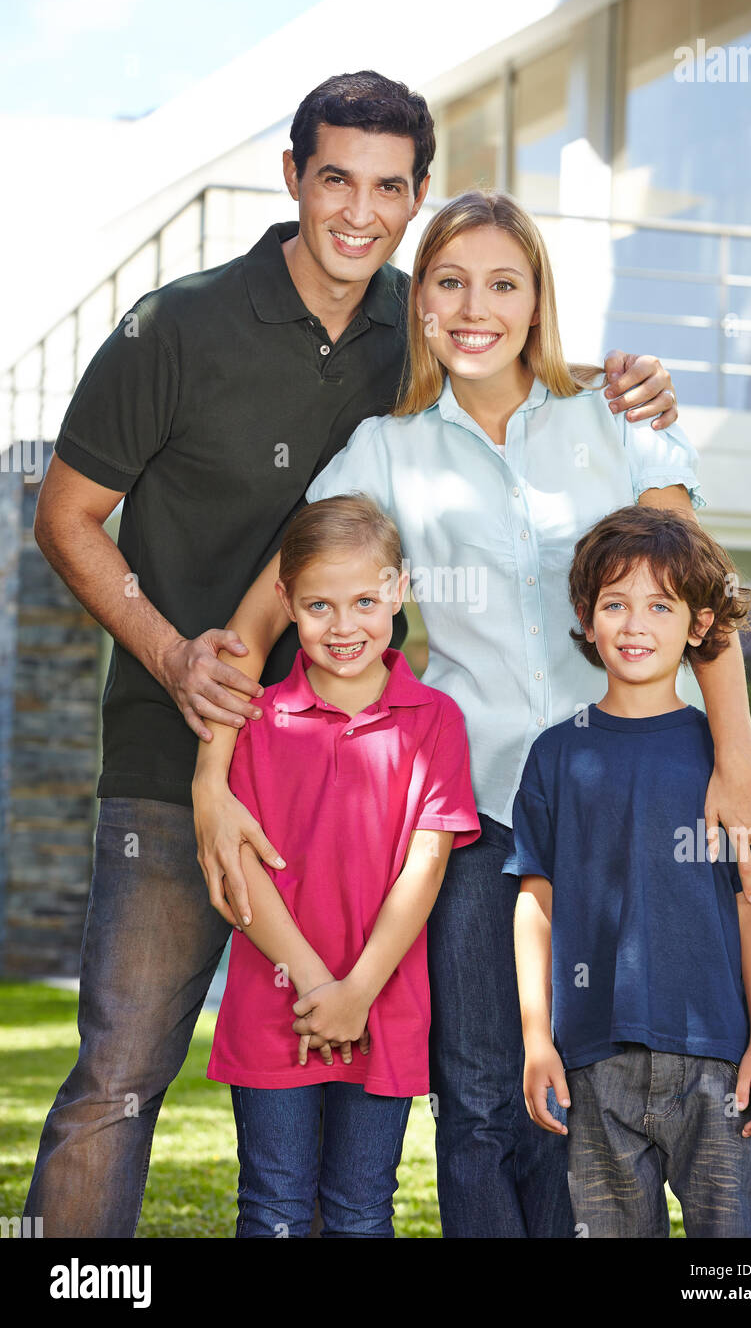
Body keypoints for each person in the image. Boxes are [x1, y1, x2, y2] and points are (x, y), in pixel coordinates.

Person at [25, 68, 678, 1238]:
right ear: (292, 179)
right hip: (189, 752)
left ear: (415, 195)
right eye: (336, 178)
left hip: (375, 782)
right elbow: (68, 518)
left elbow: (522, 374)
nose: (360, 210)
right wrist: (186, 677)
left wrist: (629, 385)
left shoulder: (417, 329)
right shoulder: (177, 326)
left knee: (400, 1088)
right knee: (122, 1074)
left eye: (389, 187)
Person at [193, 189, 751, 1239]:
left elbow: (700, 598)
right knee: (474, 1095)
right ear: (418, 303)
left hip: (627, 807)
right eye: (449, 281)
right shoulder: (385, 448)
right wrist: (209, 775)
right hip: (476, 812)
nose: (475, 306)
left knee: (590, 1087)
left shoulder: (614, 418)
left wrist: (733, 760)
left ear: (535, 300)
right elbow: (276, 601)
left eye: (502, 282)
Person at [206, 494, 479, 1237]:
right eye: (319, 605)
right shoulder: (256, 724)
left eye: (364, 599)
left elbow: (426, 868)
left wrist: (357, 991)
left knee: (362, 1213)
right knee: (274, 1210)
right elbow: (242, 876)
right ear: (286, 603)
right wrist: (318, 987)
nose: (344, 625)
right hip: (275, 1006)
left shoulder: (436, 723)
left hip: (382, 1007)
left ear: (399, 589)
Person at [509, 504, 751, 1238]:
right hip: (595, 1060)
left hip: (716, 1064)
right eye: (616, 603)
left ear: (698, 626)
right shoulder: (556, 756)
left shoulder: (727, 761)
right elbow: (536, 900)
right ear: (586, 617)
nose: (636, 624)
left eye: (660, 605)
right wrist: (539, 1039)